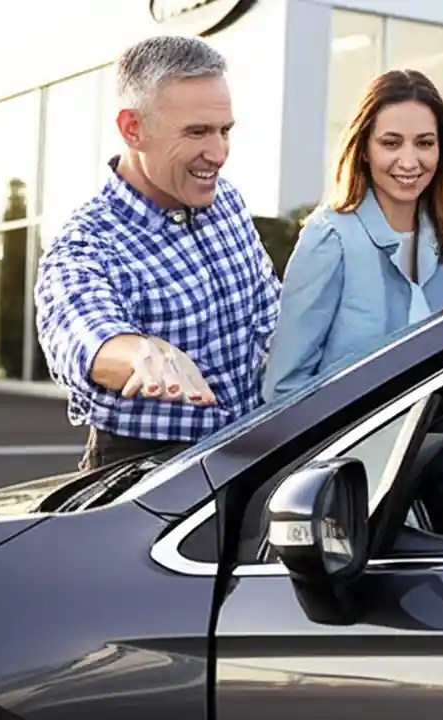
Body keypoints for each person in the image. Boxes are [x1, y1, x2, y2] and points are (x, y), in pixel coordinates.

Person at [34, 35, 281, 472]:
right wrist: (136, 353)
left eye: (224, 130)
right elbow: (81, 332)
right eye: (197, 132)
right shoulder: (87, 242)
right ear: (133, 128)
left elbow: (270, 314)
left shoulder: (229, 204)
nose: (219, 153)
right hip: (147, 480)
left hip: (250, 455)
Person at [262, 70, 443, 401]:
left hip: (430, 447)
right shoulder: (329, 237)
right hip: (347, 450)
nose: (409, 161)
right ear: (363, 149)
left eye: (425, 143)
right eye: (391, 143)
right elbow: (283, 387)